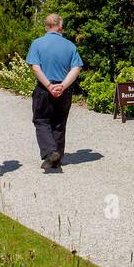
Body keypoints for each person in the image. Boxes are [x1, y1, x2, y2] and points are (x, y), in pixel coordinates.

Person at [26, 13, 82, 171]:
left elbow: (35, 67)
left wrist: (49, 86)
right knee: (59, 123)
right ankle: (56, 158)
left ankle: (51, 153)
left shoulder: (37, 44)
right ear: (60, 27)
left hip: (44, 89)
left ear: (46, 26)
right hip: (64, 91)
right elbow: (76, 68)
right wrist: (63, 86)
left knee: (41, 120)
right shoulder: (70, 46)